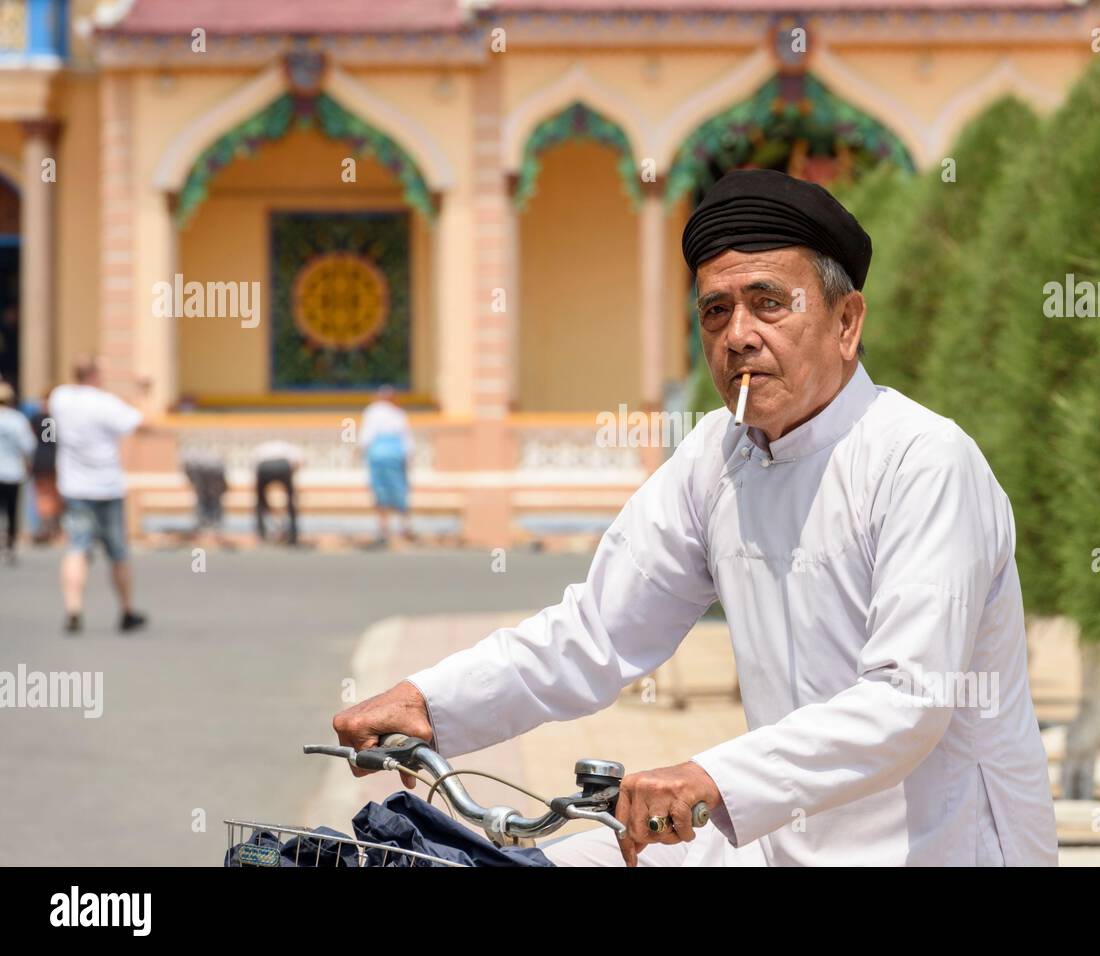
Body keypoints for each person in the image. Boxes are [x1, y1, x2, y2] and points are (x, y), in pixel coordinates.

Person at [332, 169, 1058, 866]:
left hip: (943, 847)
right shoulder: (719, 455)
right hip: (783, 839)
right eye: (716, 311)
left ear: (846, 321)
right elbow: (597, 632)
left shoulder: (923, 461)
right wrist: (432, 704)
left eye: (768, 303)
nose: (738, 334)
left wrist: (711, 778)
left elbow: (909, 703)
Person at [49, 356, 149, 634]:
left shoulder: (60, 398)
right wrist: (143, 392)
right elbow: (141, 422)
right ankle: (127, 610)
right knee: (118, 552)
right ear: (94, 375)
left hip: (75, 487)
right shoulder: (105, 403)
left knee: (77, 548)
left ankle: (73, 609)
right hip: (107, 487)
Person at [359, 385, 415, 545]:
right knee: (400, 489)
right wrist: (409, 456)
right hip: (396, 454)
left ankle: (383, 529)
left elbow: (367, 434)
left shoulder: (373, 411)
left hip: (378, 454)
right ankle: (405, 526)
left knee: (380, 492)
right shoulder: (398, 413)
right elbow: (407, 438)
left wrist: (359, 451)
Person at [0, 379, 35, 563]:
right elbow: (28, 445)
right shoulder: (17, 419)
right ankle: (10, 545)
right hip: (12, 472)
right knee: (12, 511)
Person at [251, 439, 302, 546]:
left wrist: (262, 499)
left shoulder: (262, 447)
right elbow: (297, 462)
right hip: (282, 465)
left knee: (260, 502)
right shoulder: (287, 446)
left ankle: (262, 535)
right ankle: (293, 536)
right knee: (291, 502)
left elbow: (253, 466)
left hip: (264, 466)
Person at [25, 391, 61, 543]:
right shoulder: (54, 419)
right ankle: (51, 526)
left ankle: (45, 525)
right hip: (53, 458)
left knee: (42, 494)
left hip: (39, 459)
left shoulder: (36, 418)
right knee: (52, 493)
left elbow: (29, 439)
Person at [180, 448, 228, 547]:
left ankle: (210, 526)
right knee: (207, 498)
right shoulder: (195, 462)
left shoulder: (193, 461)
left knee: (209, 498)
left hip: (208, 470)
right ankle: (207, 526)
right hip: (207, 470)